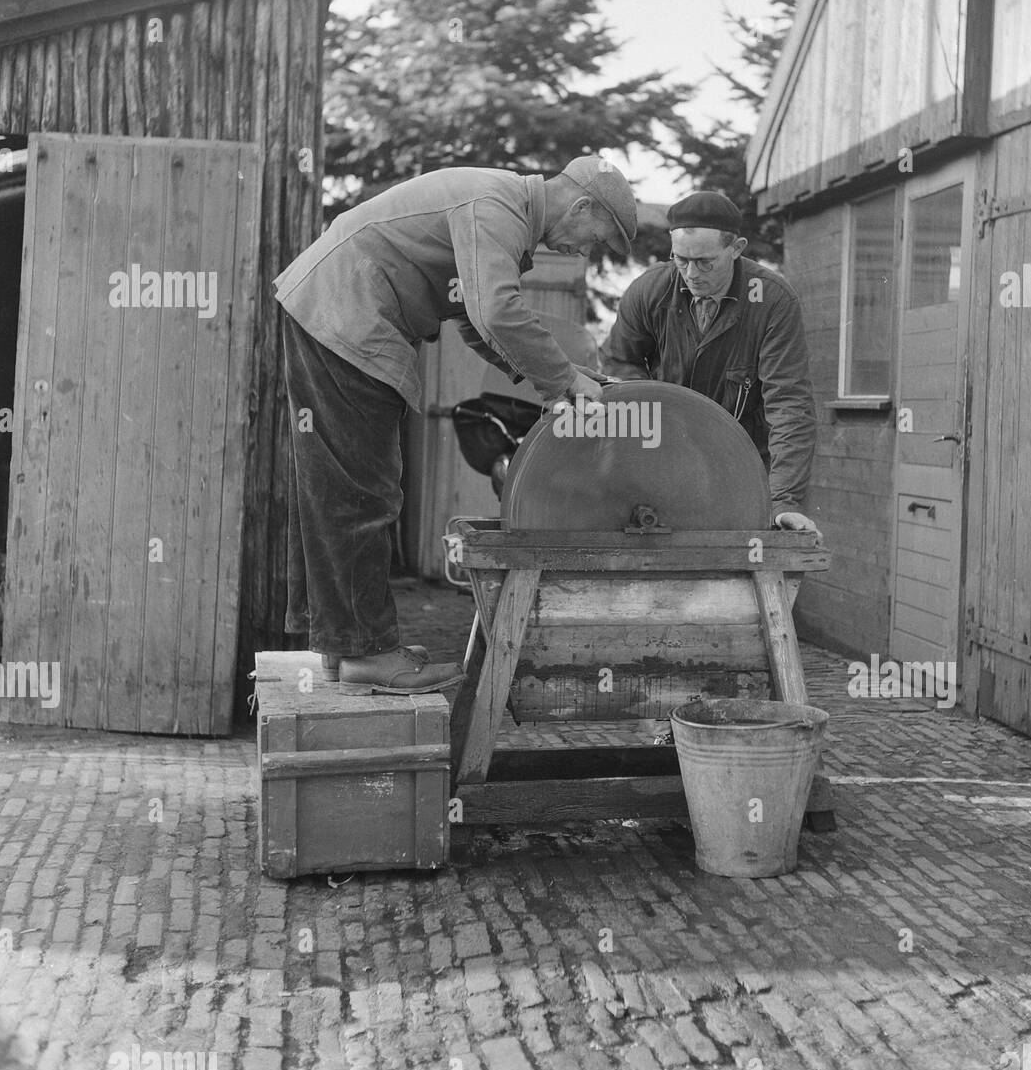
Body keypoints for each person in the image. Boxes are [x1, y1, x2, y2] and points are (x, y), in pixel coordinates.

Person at [274, 156, 637, 689]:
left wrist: (567, 375)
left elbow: (474, 319)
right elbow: (497, 311)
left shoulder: (501, 206)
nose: (584, 252)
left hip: (331, 307)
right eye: (594, 238)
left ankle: (344, 645)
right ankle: (366, 653)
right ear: (581, 205)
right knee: (362, 490)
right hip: (345, 314)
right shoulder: (497, 206)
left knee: (339, 487)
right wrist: (562, 383)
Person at [601, 190, 820, 537]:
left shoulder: (772, 301)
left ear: (736, 248)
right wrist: (656, 412)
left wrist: (783, 503)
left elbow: (789, 405)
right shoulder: (649, 291)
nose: (691, 273)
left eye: (705, 262)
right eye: (681, 260)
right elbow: (616, 363)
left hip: (742, 466)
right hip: (663, 457)